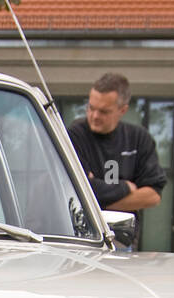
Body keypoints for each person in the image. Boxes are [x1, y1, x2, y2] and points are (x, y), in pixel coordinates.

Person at [67, 73, 167, 233]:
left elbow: (153, 196)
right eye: (91, 108)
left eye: (104, 111)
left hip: (124, 239)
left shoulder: (138, 138)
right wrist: (126, 187)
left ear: (123, 110)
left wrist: (96, 198)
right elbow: (75, 191)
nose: (95, 116)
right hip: (84, 236)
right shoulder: (75, 135)